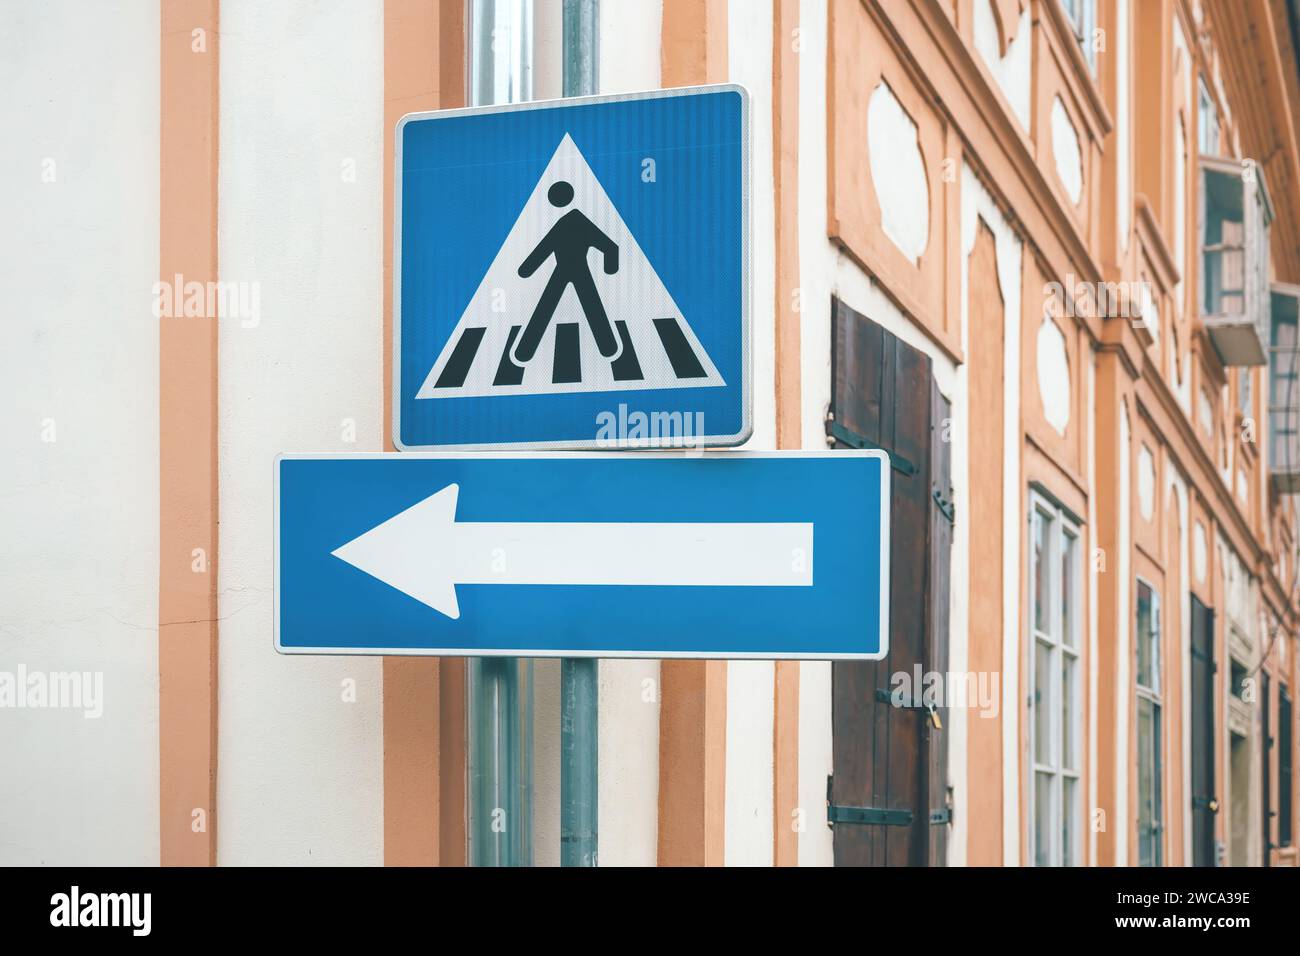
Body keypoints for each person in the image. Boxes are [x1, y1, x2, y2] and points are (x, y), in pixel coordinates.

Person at [512, 180, 620, 364]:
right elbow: (610, 247)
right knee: (588, 307)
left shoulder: (570, 223)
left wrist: (526, 270)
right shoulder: (575, 222)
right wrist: (609, 268)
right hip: (570, 270)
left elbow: (544, 249)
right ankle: (608, 348)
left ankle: (524, 351)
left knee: (546, 309)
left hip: (570, 269)